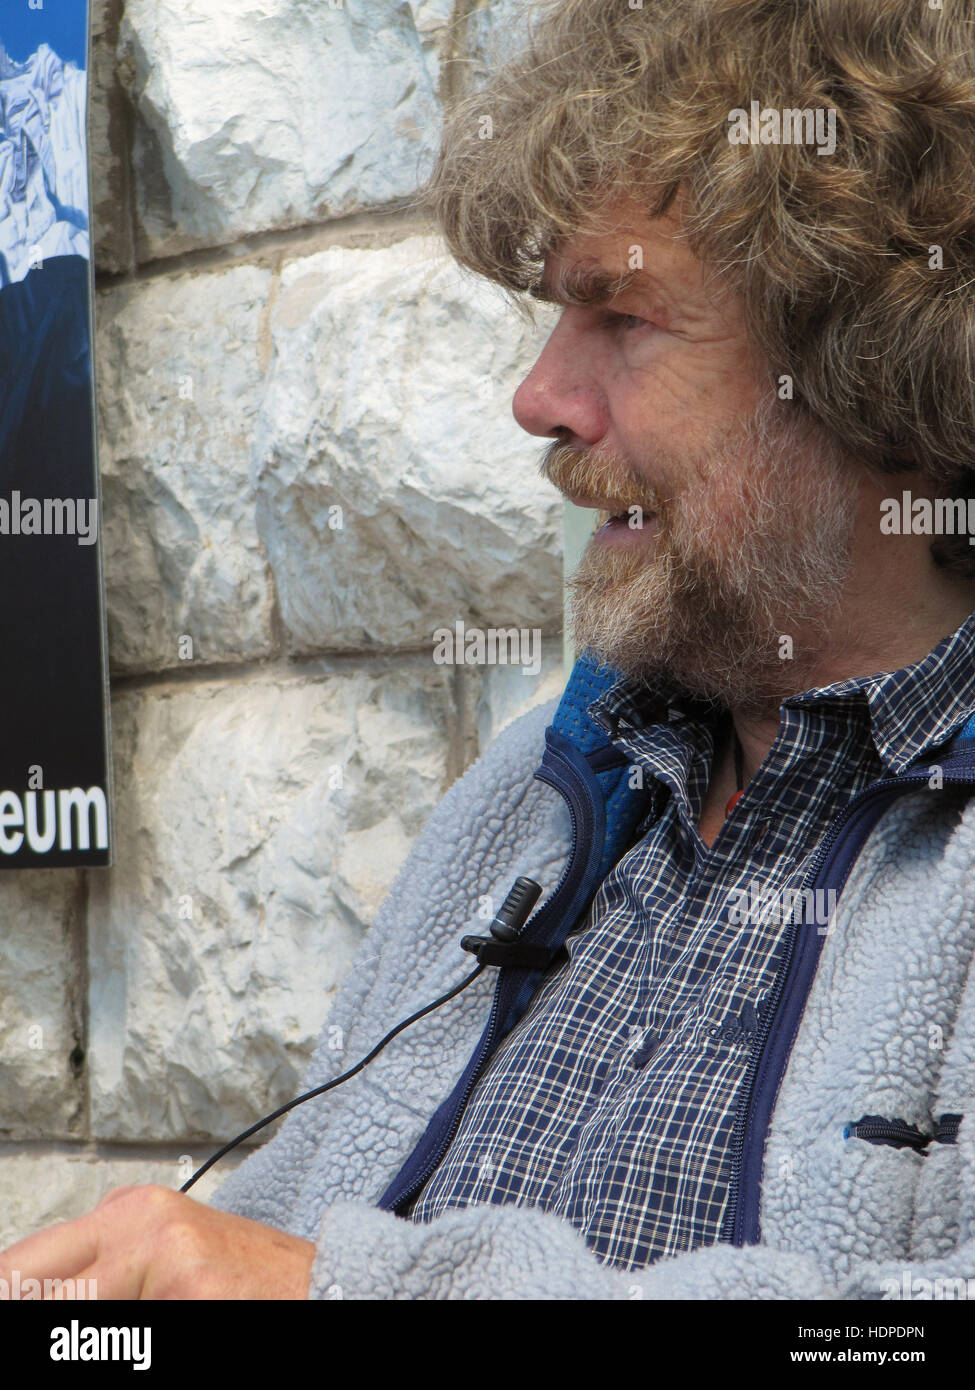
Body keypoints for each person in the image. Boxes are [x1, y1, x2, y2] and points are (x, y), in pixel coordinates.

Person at [3, 0, 975, 1299]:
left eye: (620, 317)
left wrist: (345, 1293)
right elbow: (276, 1234)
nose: (538, 398)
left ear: (876, 364)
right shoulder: (535, 796)